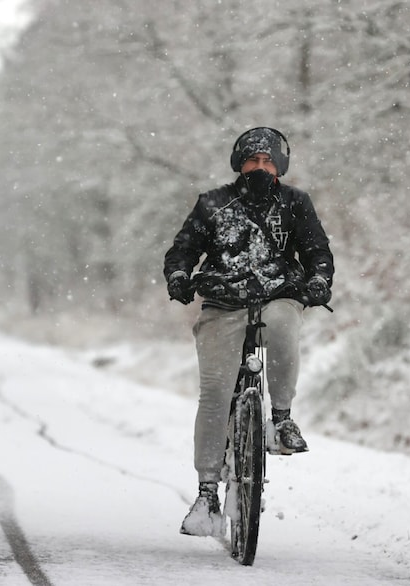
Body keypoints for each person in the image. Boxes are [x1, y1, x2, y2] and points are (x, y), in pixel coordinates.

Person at [163, 127, 334, 537]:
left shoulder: (296, 204)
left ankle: (281, 420)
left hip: (280, 292)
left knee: (284, 324)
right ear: (239, 163)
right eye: (253, 160)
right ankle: (207, 493)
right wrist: (180, 275)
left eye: (267, 161)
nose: (260, 167)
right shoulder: (213, 204)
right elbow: (183, 249)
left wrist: (319, 279)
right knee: (216, 392)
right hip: (224, 299)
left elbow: (316, 251)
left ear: (280, 166)